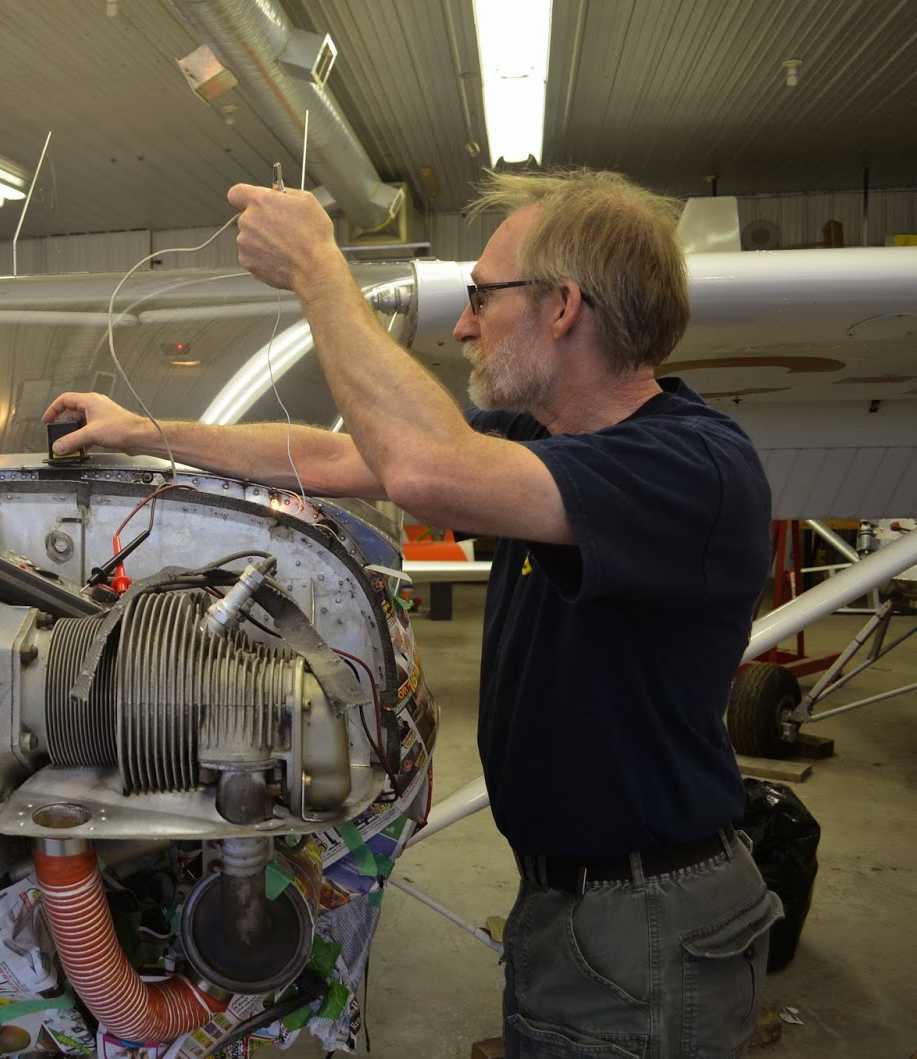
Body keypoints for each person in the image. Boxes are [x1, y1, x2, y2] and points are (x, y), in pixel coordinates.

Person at [46, 168, 783, 1055]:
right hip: (584, 902)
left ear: (562, 306)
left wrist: (320, 270)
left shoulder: (690, 467)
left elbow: (422, 468)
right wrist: (143, 432)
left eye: (481, 295)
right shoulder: (544, 444)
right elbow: (327, 455)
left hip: (647, 920)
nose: (467, 323)